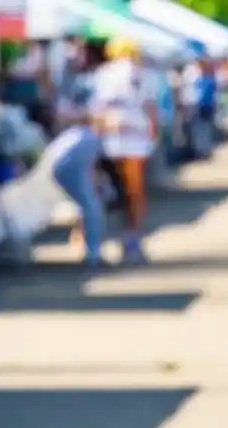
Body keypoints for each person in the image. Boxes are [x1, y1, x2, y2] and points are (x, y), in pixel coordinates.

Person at [92, 37, 158, 264]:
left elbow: (97, 110)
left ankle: (96, 239)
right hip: (135, 138)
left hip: (111, 137)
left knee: (104, 190)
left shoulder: (104, 74)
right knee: (135, 191)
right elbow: (151, 109)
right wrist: (152, 133)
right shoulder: (144, 75)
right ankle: (132, 237)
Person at [52, 40, 106, 266]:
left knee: (88, 200)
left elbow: (77, 114)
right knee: (88, 199)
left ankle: (91, 249)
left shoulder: (89, 81)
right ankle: (90, 247)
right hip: (85, 140)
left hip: (82, 140)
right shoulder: (82, 79)